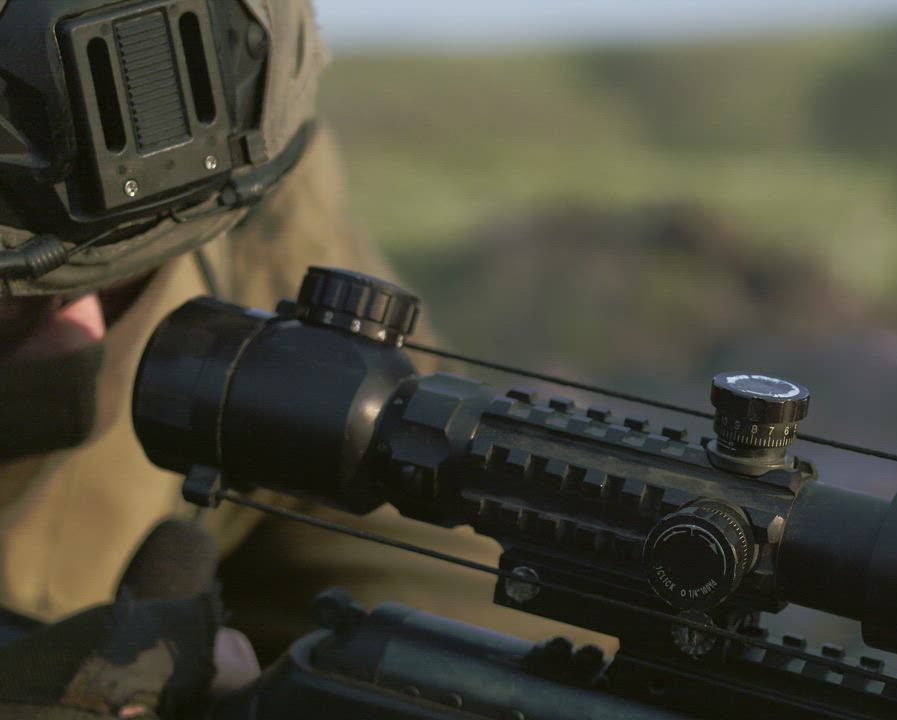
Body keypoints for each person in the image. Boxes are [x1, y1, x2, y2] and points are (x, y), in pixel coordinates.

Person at [0, 1, 593, 715]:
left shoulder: (226, 134)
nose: (82, 336)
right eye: (12, 298)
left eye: (128, 282)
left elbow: (455, 596)